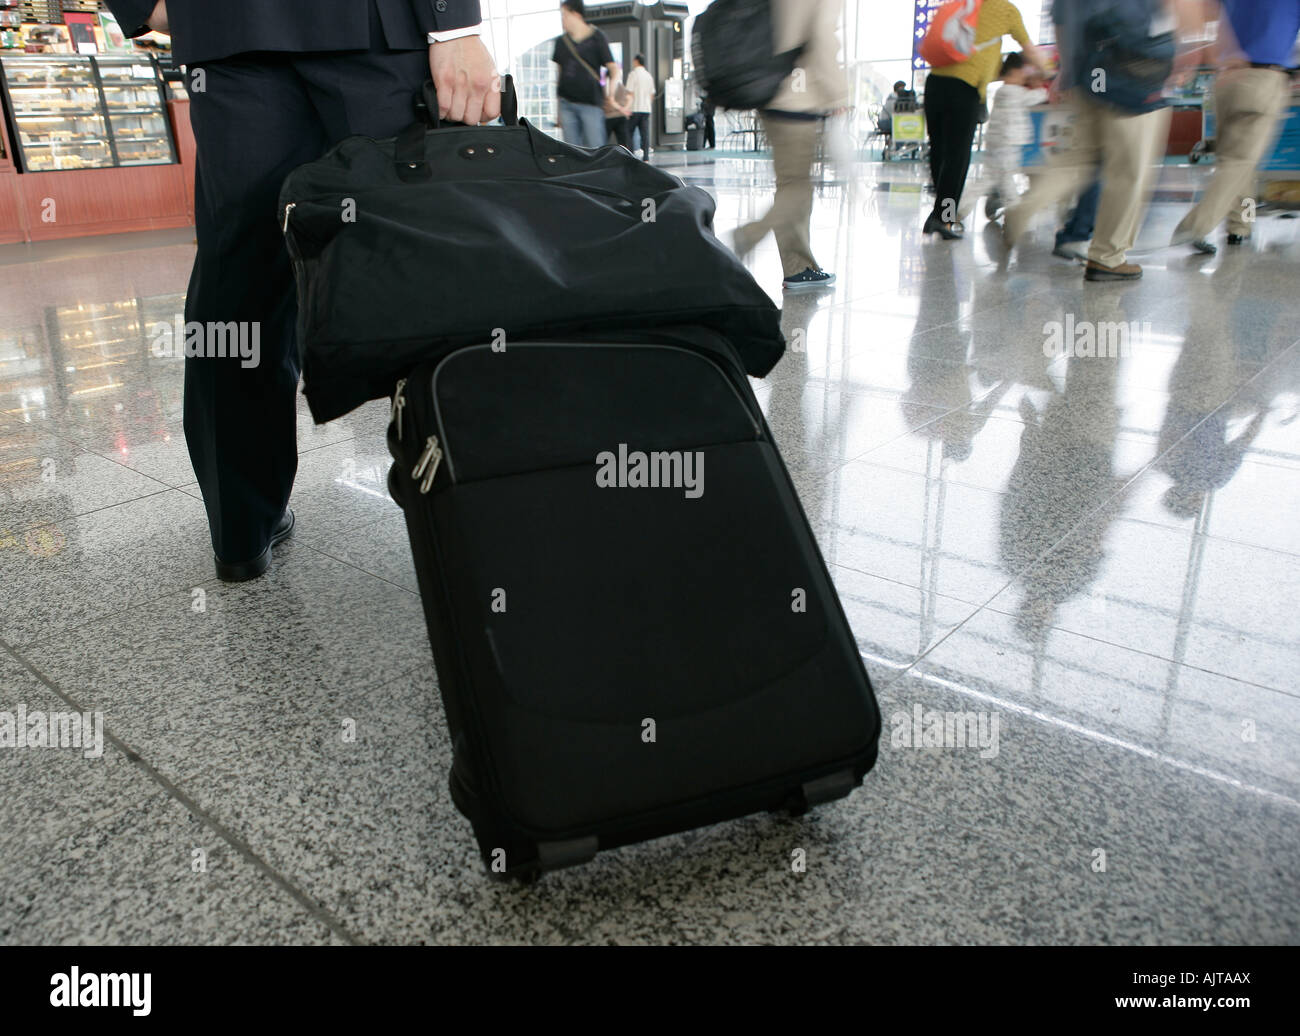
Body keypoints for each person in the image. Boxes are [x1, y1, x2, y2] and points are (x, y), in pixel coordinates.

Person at [103, 0, 497, 582]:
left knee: (238, 274)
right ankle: (472, 507)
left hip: (230, 33)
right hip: (374, 27)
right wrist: (453, 21)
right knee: (417, 263)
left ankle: (241, 529)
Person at [1004, 0, 1192, 281]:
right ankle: (1108, 257)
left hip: (1090, 72)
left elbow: (1061, 18)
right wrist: (1181, 50)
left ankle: (1023, 209)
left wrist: (1067, 73)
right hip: (1134, 71)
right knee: (1129, 169)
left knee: (1081, 156)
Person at [732, 0, 847, 293]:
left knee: (791, 185)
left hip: (769, 94)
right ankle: (749, 235)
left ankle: (799, 267)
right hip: (798, 99)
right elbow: (822, 36)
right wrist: (837, 95)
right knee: (797, 188)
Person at [1170, 0, 1300, 254]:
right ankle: (1192, 228)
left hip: (1225, 80)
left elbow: (1206, 18)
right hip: (1264, 80)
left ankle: (1241, 226)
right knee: (1239, 162)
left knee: (1242, 164)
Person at [922, 0, 1049, 239]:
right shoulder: (1006, 10)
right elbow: (1030, 50)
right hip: (964, 90)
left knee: (939, 151)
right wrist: (1049, 71)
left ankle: (939, 215)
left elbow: (984, 63)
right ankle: (943, 218)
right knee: (957, 156)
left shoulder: (964, 6)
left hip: (935, 84)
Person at [957, 52, 1048, 222]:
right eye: (1023, 74)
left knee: (988, 179)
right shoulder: (1014, 92)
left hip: (996, 143)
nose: (1025, 78)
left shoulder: (1001, 91)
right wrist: (1041, 86)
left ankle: (960, 210)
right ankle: (1016, 215)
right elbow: (1037, 97)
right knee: (1005, 182)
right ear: (1013, 72)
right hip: (1008, 144)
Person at [552, 0, 619, 148]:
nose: (562, 20)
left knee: (595, 150)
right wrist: (558, 112)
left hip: (591, 104)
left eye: (565, 15)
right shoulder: (561, 42)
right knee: (572, 152)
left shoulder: (597, 37)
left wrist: (611, 94)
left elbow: (614, 69)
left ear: (576, 15)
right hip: (566, 103)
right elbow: (560, 75)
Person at [626, 53, 656, 158]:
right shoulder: (649, 76)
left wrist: (626, 107)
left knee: (629, 132)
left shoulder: (633, 74)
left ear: (636, 61)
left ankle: (630, 155)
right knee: (645, 134)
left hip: (634, 108)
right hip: (646, 109)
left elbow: (630, 93)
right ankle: (646, 157)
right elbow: (652, 94)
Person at [604, 65, 633, 150]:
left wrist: (622, 109)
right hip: (621, 116)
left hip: (609, 116)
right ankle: (628, 160)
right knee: (624, 142)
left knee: (603, 142)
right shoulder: (620, 85)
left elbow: (610, 101)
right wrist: (625, 109)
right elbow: (630, 98)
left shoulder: (606, 85)